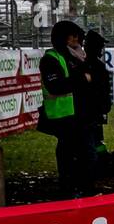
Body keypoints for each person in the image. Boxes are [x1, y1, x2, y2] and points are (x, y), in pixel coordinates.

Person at [37, 20, 97, 197]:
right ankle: (70, 191)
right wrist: (82, 79)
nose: (76, 39)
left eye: (77, 35)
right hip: (64, 116)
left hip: (82, 115)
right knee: (69, 156)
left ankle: (85, 190)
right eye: (72, 35)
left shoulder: (80, 57)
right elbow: (56, 86)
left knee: (87, 155)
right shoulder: (51, 59)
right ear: (62, 38)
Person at [78, 30, 112, 157]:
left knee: (95, 137)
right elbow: (101, 88)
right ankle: (98, 160)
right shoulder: (93, 66)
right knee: (94, 138)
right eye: (100, 46)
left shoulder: (85, 64)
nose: (102, 50)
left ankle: (98, 158)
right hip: (92, 109)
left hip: (92, 109)